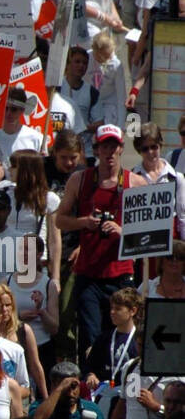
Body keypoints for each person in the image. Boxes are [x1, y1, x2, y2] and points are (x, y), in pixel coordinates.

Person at [54, 125, 147, 367]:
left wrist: (121, 231)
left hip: (121, 273)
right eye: (104, 146)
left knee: (123, 334)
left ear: (121, 148)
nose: (109, 152)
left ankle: (118, 383)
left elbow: (152, 233)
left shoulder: (135, 182)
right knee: (91, 336)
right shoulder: (80, 179)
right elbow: (59, 219)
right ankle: (91, 386)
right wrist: (84, 222)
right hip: (89, 274)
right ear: (95, 149)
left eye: (114, 146)